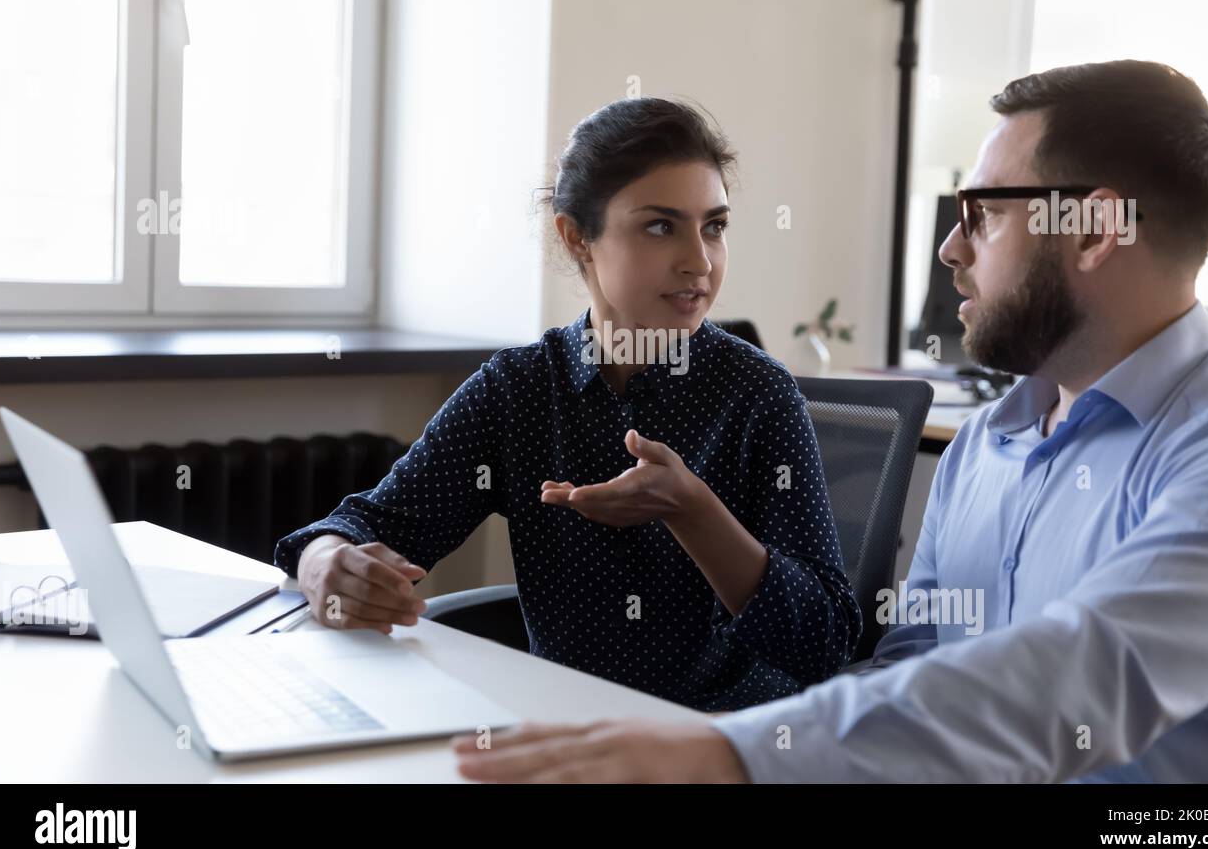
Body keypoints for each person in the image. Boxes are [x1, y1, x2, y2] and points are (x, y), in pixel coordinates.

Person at [454, 61, 1208, 782]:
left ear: (1098, 229)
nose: (952, 250)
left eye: (984, 213)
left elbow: (1088, 675)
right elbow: (911, 667)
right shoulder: (986, 446)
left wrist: (731, 757)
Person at [273, 97, 860, 712]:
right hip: (565, 735)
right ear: (577, 237)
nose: (701, 261)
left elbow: (825, 646)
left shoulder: (758, 393)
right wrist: (323, 562)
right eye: (662, 225)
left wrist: (695, 514)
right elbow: (370, 525)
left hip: (728, 741)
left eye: (714, 226)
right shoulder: (518, 389)